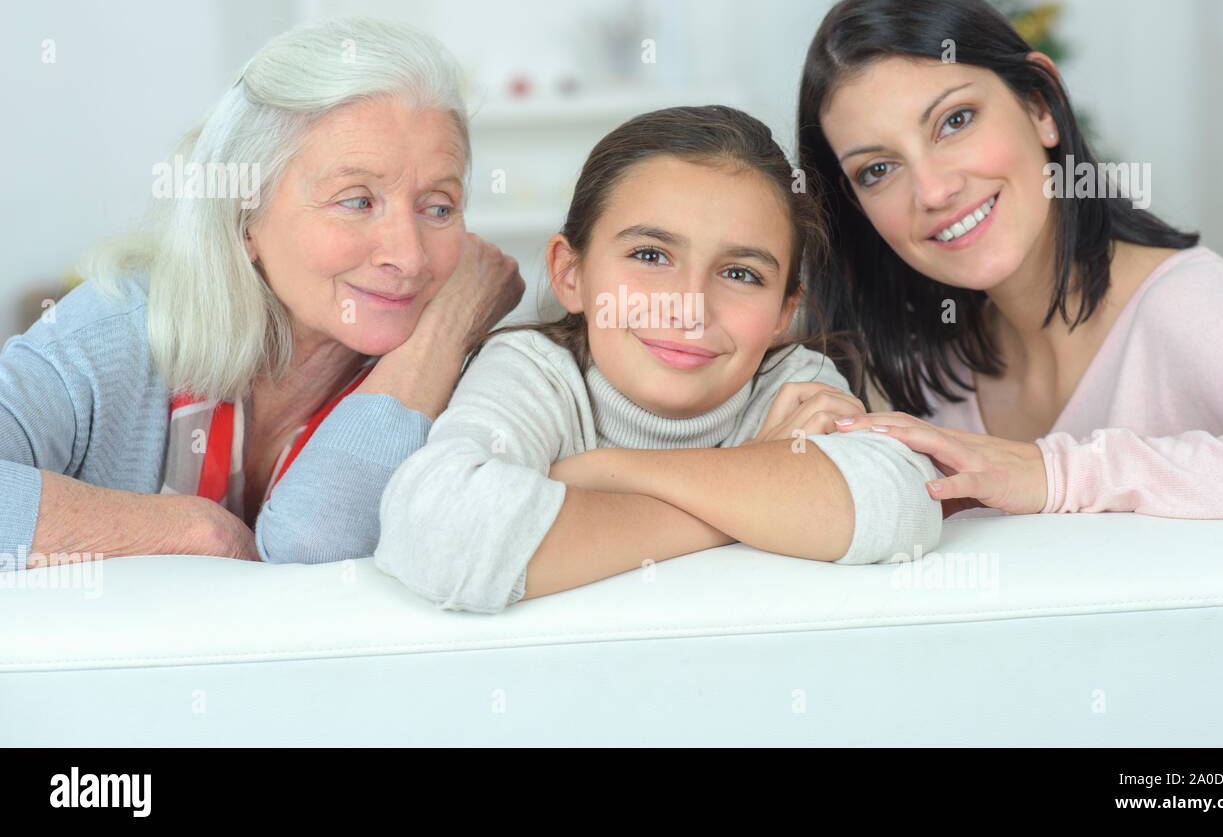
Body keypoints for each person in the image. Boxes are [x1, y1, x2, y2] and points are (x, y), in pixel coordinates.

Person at [0, 16, 523, 570]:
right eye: (356, 200)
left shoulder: (463, 368)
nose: (410, 255)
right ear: (245, 216)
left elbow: (309, 547)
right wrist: (196, 531)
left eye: (438, 207)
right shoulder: (110, 335)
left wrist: (438, 339)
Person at [374, 105, 942, 613]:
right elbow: (441, 533)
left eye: (741, 273)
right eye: (650, 255)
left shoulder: (792, 381)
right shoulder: (533, 370)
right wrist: (753, 486)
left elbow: (904, 506)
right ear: (571, 274)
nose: (690, 309)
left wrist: (603, 475)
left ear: (782, 312)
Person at [795, 0, 1223, 521]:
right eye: (879, 170)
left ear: (1041, 105)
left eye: (954, 121)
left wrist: (1053, 473)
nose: (933, 191)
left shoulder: (1183, 306)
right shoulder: (931, 369)